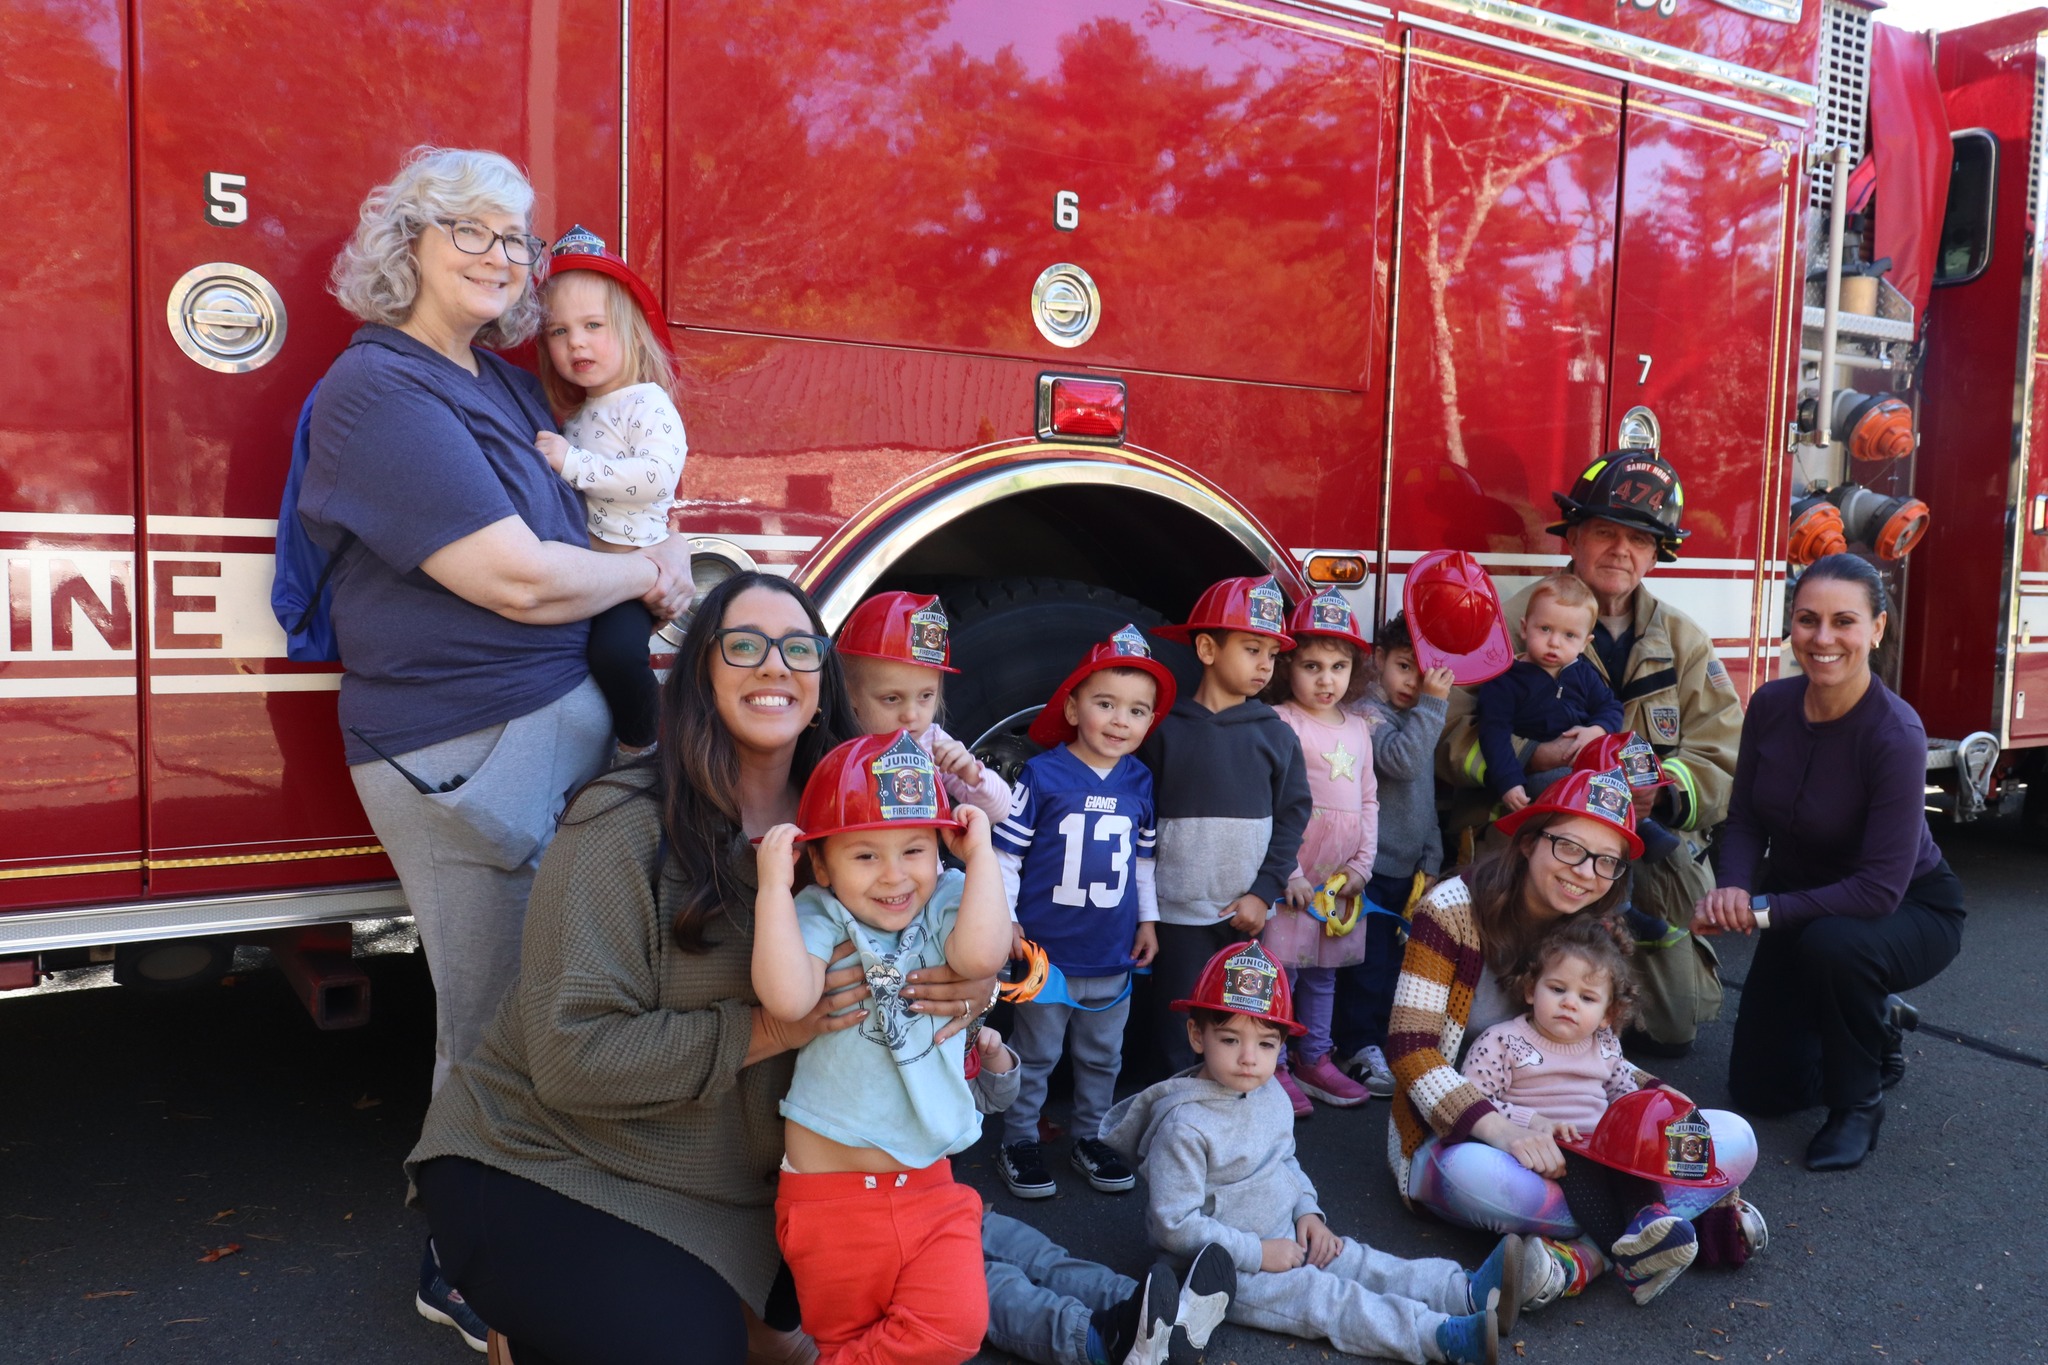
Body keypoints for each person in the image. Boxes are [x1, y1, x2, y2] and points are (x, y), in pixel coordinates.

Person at [403, 574, 996, 1365]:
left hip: (740, 1187)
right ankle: (539, 1324)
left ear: (825, 684)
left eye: (798, 648)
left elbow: (957, 950)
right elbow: (569, 1057)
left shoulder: (868, 835)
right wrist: (770, 1026)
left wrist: (979, 988)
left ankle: (696, 1306)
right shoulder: (617, 822)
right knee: (685, 1349)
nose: (773, 665)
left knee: (896, 1302)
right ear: (700, 676)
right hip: (548, 1154)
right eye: (744, 645)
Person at [304, 146, 694, 1346]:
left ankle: (558, 1216)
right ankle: (456, 1254)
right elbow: (517, 580)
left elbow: (600, 501)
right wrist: (648, 573)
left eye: (513, 239)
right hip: (467, 750)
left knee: (569, 995)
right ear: (404, 243)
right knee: (500, 1017)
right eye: (467, 229)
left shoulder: (503, 387)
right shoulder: (382, 394)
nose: (497, 256)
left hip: (552, 730)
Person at [1385, 768, 1762, 1307]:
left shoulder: (1593, 925)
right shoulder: (1451, 910)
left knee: (1730, 1136)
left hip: (1583, 1144)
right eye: (1569, 848)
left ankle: (1583, 1256)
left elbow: (1600, 1062)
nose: (1585, 873)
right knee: (1477, 1177)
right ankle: (1664, 1220)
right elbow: (1410, 1049)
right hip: (1469, 1135)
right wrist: (1506, 1132)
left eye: (1606, 861)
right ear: (1530, 841)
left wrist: (1665, 1105)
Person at [1100, 940, 1533, 1365]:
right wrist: (1258, 1253)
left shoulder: (1269, 1093)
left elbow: (1285, 1161)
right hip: (1221, 1273)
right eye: (1230, 1040)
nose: (1249, 1058)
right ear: (1197, 1034)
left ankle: (1465, 1291)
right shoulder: (1183, 1127)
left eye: (1266, 1044)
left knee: (1361, 1262)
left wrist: (1308, 1212)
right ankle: (1438, 1338)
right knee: (1329, 1300)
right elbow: (1173, 1227)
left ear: (1282, 1045)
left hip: (1285, 1237)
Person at [1441, 452, 1742, 1054]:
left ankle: (1609, 990)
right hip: (1536, 834)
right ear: (1573, 537)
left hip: (1640, 846)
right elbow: (1450, 739)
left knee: (1675, 1026)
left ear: (1658, 555)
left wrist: (1665, 790)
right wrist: (1537, 756)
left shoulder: (1684, 641)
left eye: (1639, 539)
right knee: (1503, 1026)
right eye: (1605, 532)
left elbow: (1722, 754)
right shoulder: (1514, 621)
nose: (1620, 551)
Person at [1694, 553, 1965, 1172]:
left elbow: (1875, 891)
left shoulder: (1895, 734)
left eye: (1844, 621)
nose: (1822, 639)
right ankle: (1872, 1022)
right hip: (1805, 903)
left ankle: (1858, 1103)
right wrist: (1732, 887)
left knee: (1836, 949)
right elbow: (1746, 819)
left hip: (1908, 908)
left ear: (1876, 628)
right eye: (1807, 620)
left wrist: (1758, 912)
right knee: (1761, 1093)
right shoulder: (1769, 705)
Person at [752, 728, 1011, 1364]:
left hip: (931, 1184)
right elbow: (787, 998)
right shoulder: (819, 912)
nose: (895, 876)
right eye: (865, 855)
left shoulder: (950, 897)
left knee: (955, 1326)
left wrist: (980, 859)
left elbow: (983, 955)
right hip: (831, 1200)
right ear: (822, 864)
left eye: (915, 850)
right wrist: (771, 893)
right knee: (851, 1341)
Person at [1458, 915, 1757, 1303]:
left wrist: (1654, 1114)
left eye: (1587, 998)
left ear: (1608, 1014)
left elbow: (1623, 1092)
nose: (1569, 1002)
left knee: (1631, 1163)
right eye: (1557, 988)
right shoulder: (1502, 1041)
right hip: (1542, 1148)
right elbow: (1472, 1098)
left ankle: (1651, 1222)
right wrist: (1531, 1122)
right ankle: (1628, 1256)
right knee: (1584, 1167)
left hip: (1600, 1144)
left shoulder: (1604, 1045)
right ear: (1531, 989)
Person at [992, 625, 1175, 1200]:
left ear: (1151, 721)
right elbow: (1006, 855)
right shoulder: (1042, 775)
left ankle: (1091, 1135)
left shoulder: (1140, 780)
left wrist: (1148, 921)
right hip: (1048, 952)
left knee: (1103, 1057)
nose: (1121, 720)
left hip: (1112, 950)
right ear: (1072, 708)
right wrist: (1005, 919)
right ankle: (1018, 1139)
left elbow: (1143, 863)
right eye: (1105, 704)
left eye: (1137, 710)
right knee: (1038, 1052)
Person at [970, 1012, 1238, 1365]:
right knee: (989, 1283)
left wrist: (991, 1056)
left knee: (1039, 1255)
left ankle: (1155, 1309)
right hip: (883, 1243)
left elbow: (993, 1097)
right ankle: (1106, 1340)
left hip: (932, 1206)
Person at [1142, 575, 1312, 1075]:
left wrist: (1263, 892)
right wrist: (1145, 909)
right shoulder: (1163, 730)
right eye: (1252, 648)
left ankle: (1233, 1126)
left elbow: (1291, 818)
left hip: (1244, 914)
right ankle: (1173, 1130)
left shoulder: (1275, 736)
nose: (1266, 664)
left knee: (1240, 1027)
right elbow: (1142, 822)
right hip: (1176, 917)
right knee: (1177, 1030)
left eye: (1272, 654)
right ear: (1207, 648)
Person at [534, 224, 689, 761]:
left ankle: (643, 750)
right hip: (588, 572)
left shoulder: (646, 404)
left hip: (630, 570)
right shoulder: (577, 416)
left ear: (632, 331)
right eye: (558, 331)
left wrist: (572, 464)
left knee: (617, 656)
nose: (576, 341)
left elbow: (654, 478)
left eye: (593, 325)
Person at [1260, 589, 1379, 1112]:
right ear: (1289, 666)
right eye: (1312, 665)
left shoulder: (1359, 728)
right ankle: (1276, 1062)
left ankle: (1315, 1057)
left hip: (1338, 883)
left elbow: (1370, 798)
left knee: (1324, 973)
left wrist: (1361, 866)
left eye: (1338, 666)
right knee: (1282, 969)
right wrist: (1285, 871)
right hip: (1297, 875)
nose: (1326, 679)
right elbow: (1268, 803)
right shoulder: (1282, 721)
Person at [1330, 613, 1455, 1097]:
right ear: (1378, 659)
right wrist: (1435, 702)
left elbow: (1424, 797)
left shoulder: (1414, 717)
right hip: (1371, 870)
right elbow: (1403, 763)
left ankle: (1380, 1042)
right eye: (1405, 666)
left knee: (1393, 968)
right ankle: (1355, 1046)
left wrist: (1432, 856)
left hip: (1408, 869)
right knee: (1365, 964)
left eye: (1425, 675)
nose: (1415, 683)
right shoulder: (1367, 715)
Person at [835, 591, 1013, 822]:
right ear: (850, 694)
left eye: (926, 696)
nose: (911, 715)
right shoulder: (838, 744)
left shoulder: (933, 743)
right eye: (892, 699)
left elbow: (1000, 811)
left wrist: (969, 773)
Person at [1472, 573, 1622, 811]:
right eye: (1545, 629)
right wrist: (1509, 782)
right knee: (1581, 788)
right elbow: (1494, 734)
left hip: (1589, 768)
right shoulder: (1505, 681)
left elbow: (1611, 707)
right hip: (1537, 777)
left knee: (1624, 781)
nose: (1554, 642)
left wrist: (1598, 729)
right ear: (1524, 628)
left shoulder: (1583, 674)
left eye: (1569, 635)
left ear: (1585, 643)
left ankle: (1644, 830)